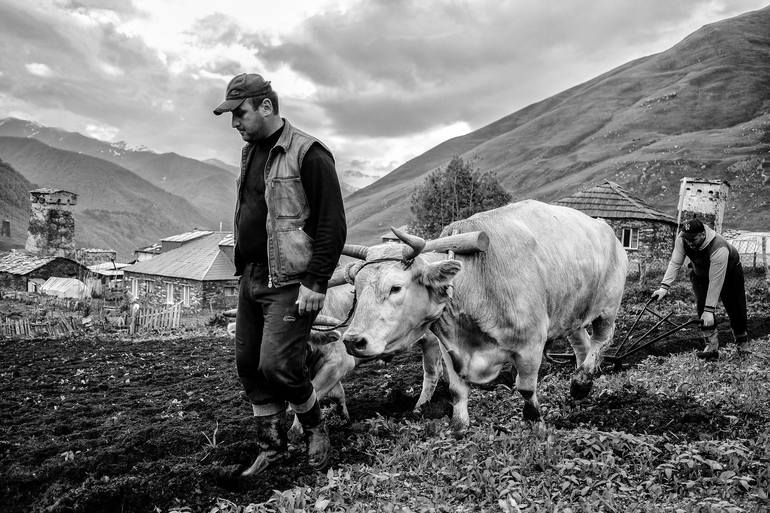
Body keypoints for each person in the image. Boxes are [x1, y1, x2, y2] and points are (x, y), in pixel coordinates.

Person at [213, 73, 346, 475]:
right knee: (248, 365)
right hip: (252, 275)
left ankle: (315, 427)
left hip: (290, 281)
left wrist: (316, 281)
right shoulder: (250, 152)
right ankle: (271, 447)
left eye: (239, 113)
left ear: (266, 106)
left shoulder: (309, 154)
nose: (234, 123)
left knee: (278, 365)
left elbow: (332, 224)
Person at [652, 218, 749, 360]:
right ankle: (711, 347)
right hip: (700, 274)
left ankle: (742, 344)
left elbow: (715, 282)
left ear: (703, 234)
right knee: (702, 307)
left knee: (736, 308)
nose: (689, 243)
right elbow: (675, 263)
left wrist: (710, 310)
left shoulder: (718, 247)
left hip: (730, 274)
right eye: (687, 239)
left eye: (693, 239)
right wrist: (664, 287)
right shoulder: (682, 239)